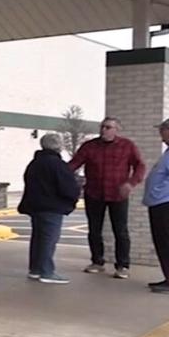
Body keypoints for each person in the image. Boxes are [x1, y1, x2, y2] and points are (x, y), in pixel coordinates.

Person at [67, 117, 146, 279]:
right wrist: (57, 172)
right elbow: (73, 165)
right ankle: (97, 262)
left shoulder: (127, 146)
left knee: (121, 231)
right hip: (94, 193)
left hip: (118, 194)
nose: (104, 130)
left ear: (117, 130)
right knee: (94, 230)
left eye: (108, 127)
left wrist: (131, 183)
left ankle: (123, 265)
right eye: (102, 127)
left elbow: (140, 165)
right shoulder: (89, 146)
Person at [18, 133, 81, 284]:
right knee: (48, 240)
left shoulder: (34, 163)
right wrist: (73, 197)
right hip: (52, 207)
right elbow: (68, 187)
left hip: (35, 206)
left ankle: (35, 269)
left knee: (38, 239)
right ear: (59, 146)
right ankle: (46, 271)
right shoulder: (57, 165)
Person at [143, 117, 169, 294]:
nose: (160, 136)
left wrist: (157, 193)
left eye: (161, 131)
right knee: (165, 241)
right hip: (166, 202)